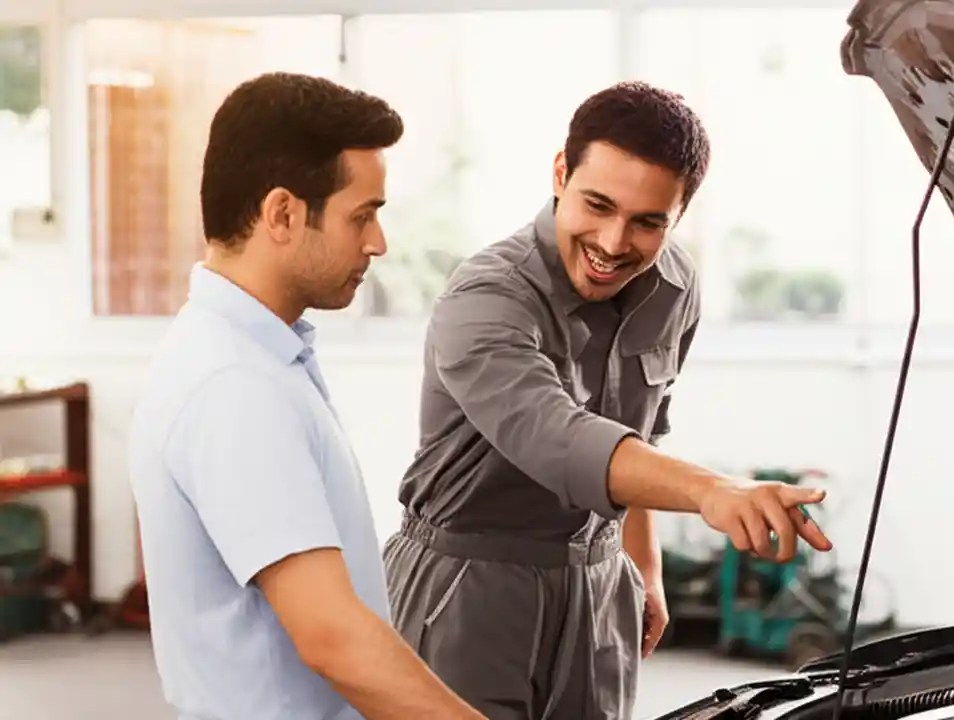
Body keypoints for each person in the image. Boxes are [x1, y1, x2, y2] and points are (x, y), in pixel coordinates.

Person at [383, 80, 833, 719]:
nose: (615, 243)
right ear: (561, 173)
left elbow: (639, 434)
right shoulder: (485, 295)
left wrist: (640, 564)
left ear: (679, 216)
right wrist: (712, 490)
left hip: (598, 583)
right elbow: (561, 439)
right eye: (598, 204)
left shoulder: (675, 286)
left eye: (649, 222)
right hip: (468, 581)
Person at [128, 72, 482, 720]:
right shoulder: (233, 387)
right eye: (363, 215)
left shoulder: (251, 356)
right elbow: (332, 637)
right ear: (283, 214)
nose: (378, 242)